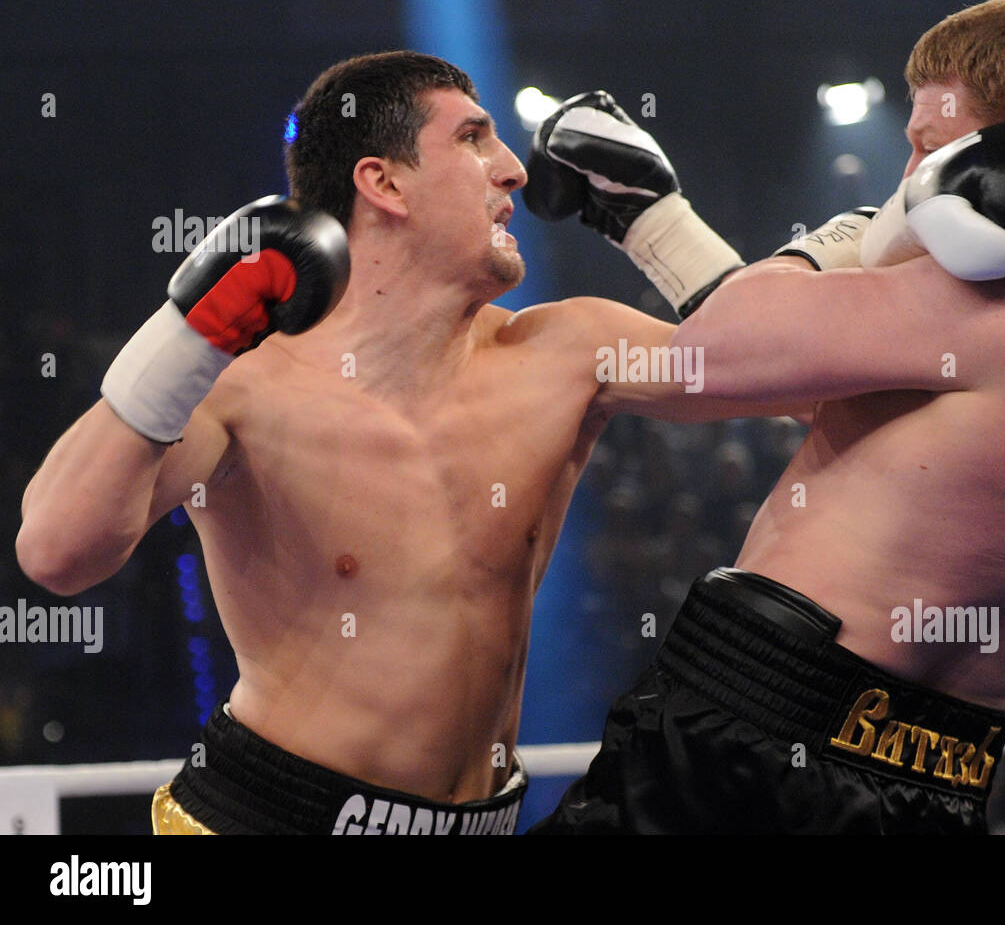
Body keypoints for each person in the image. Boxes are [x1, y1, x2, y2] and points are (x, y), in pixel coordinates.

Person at [14, 50, 793, 835]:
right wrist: (186, 336)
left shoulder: (566, 350)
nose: (514, 171)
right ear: (382, 183)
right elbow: (57, 551)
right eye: (474, 139)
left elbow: (797, 377)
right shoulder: (242, 385)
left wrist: (661, 223)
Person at [526, 0, 1005, 834]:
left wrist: (865, 230)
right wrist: (654, 223)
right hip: (935, 777)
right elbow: (809, 381)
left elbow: (706, 355)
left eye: (928, 151)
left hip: (757, 730)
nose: (911, 180)